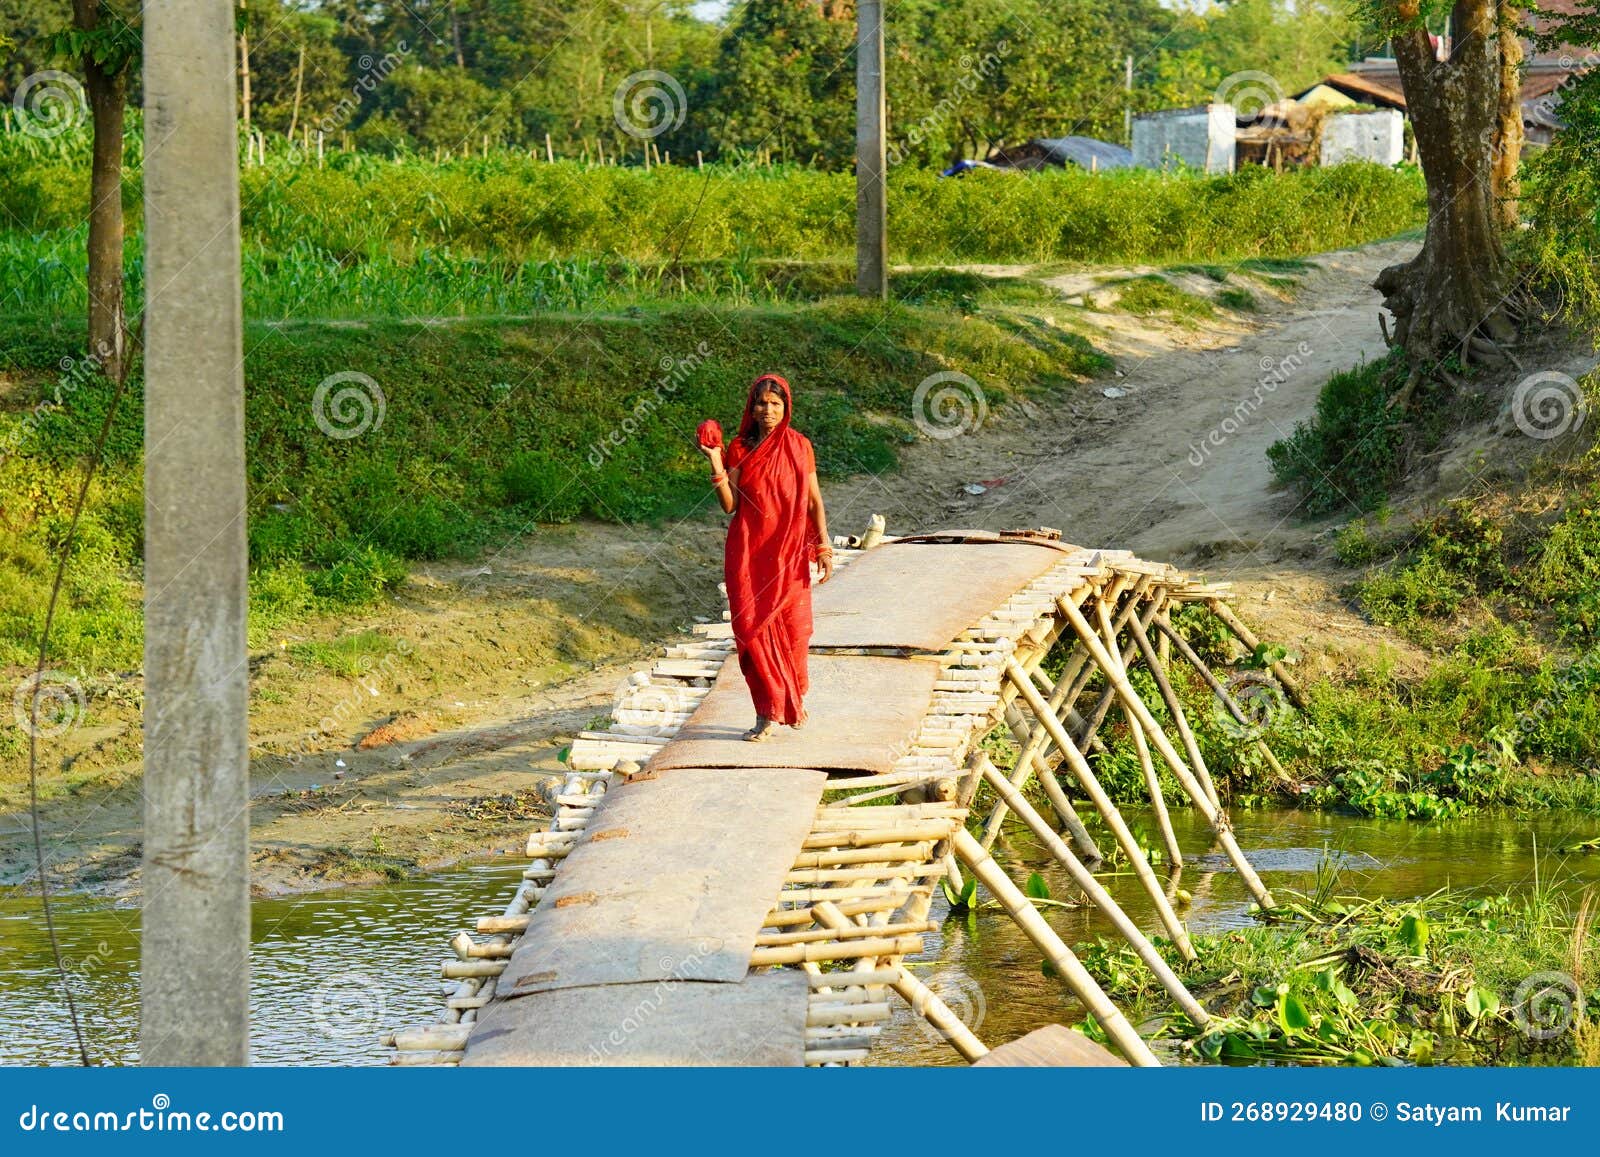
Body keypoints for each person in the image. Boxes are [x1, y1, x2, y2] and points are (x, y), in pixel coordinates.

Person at [698, 373, 832, 742]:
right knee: (751, 632)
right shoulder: (741, 447)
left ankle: (792, 700)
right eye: (761, 404)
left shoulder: (800, 446)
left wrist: (822, 546)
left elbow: (813, 501)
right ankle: (765, 714)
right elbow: (730, 506)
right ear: (751, 408)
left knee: (794, 630)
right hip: (748, 554)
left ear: (786, 408)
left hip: (788, 554)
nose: (768, 410)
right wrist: (715, 461)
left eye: (775, 403)